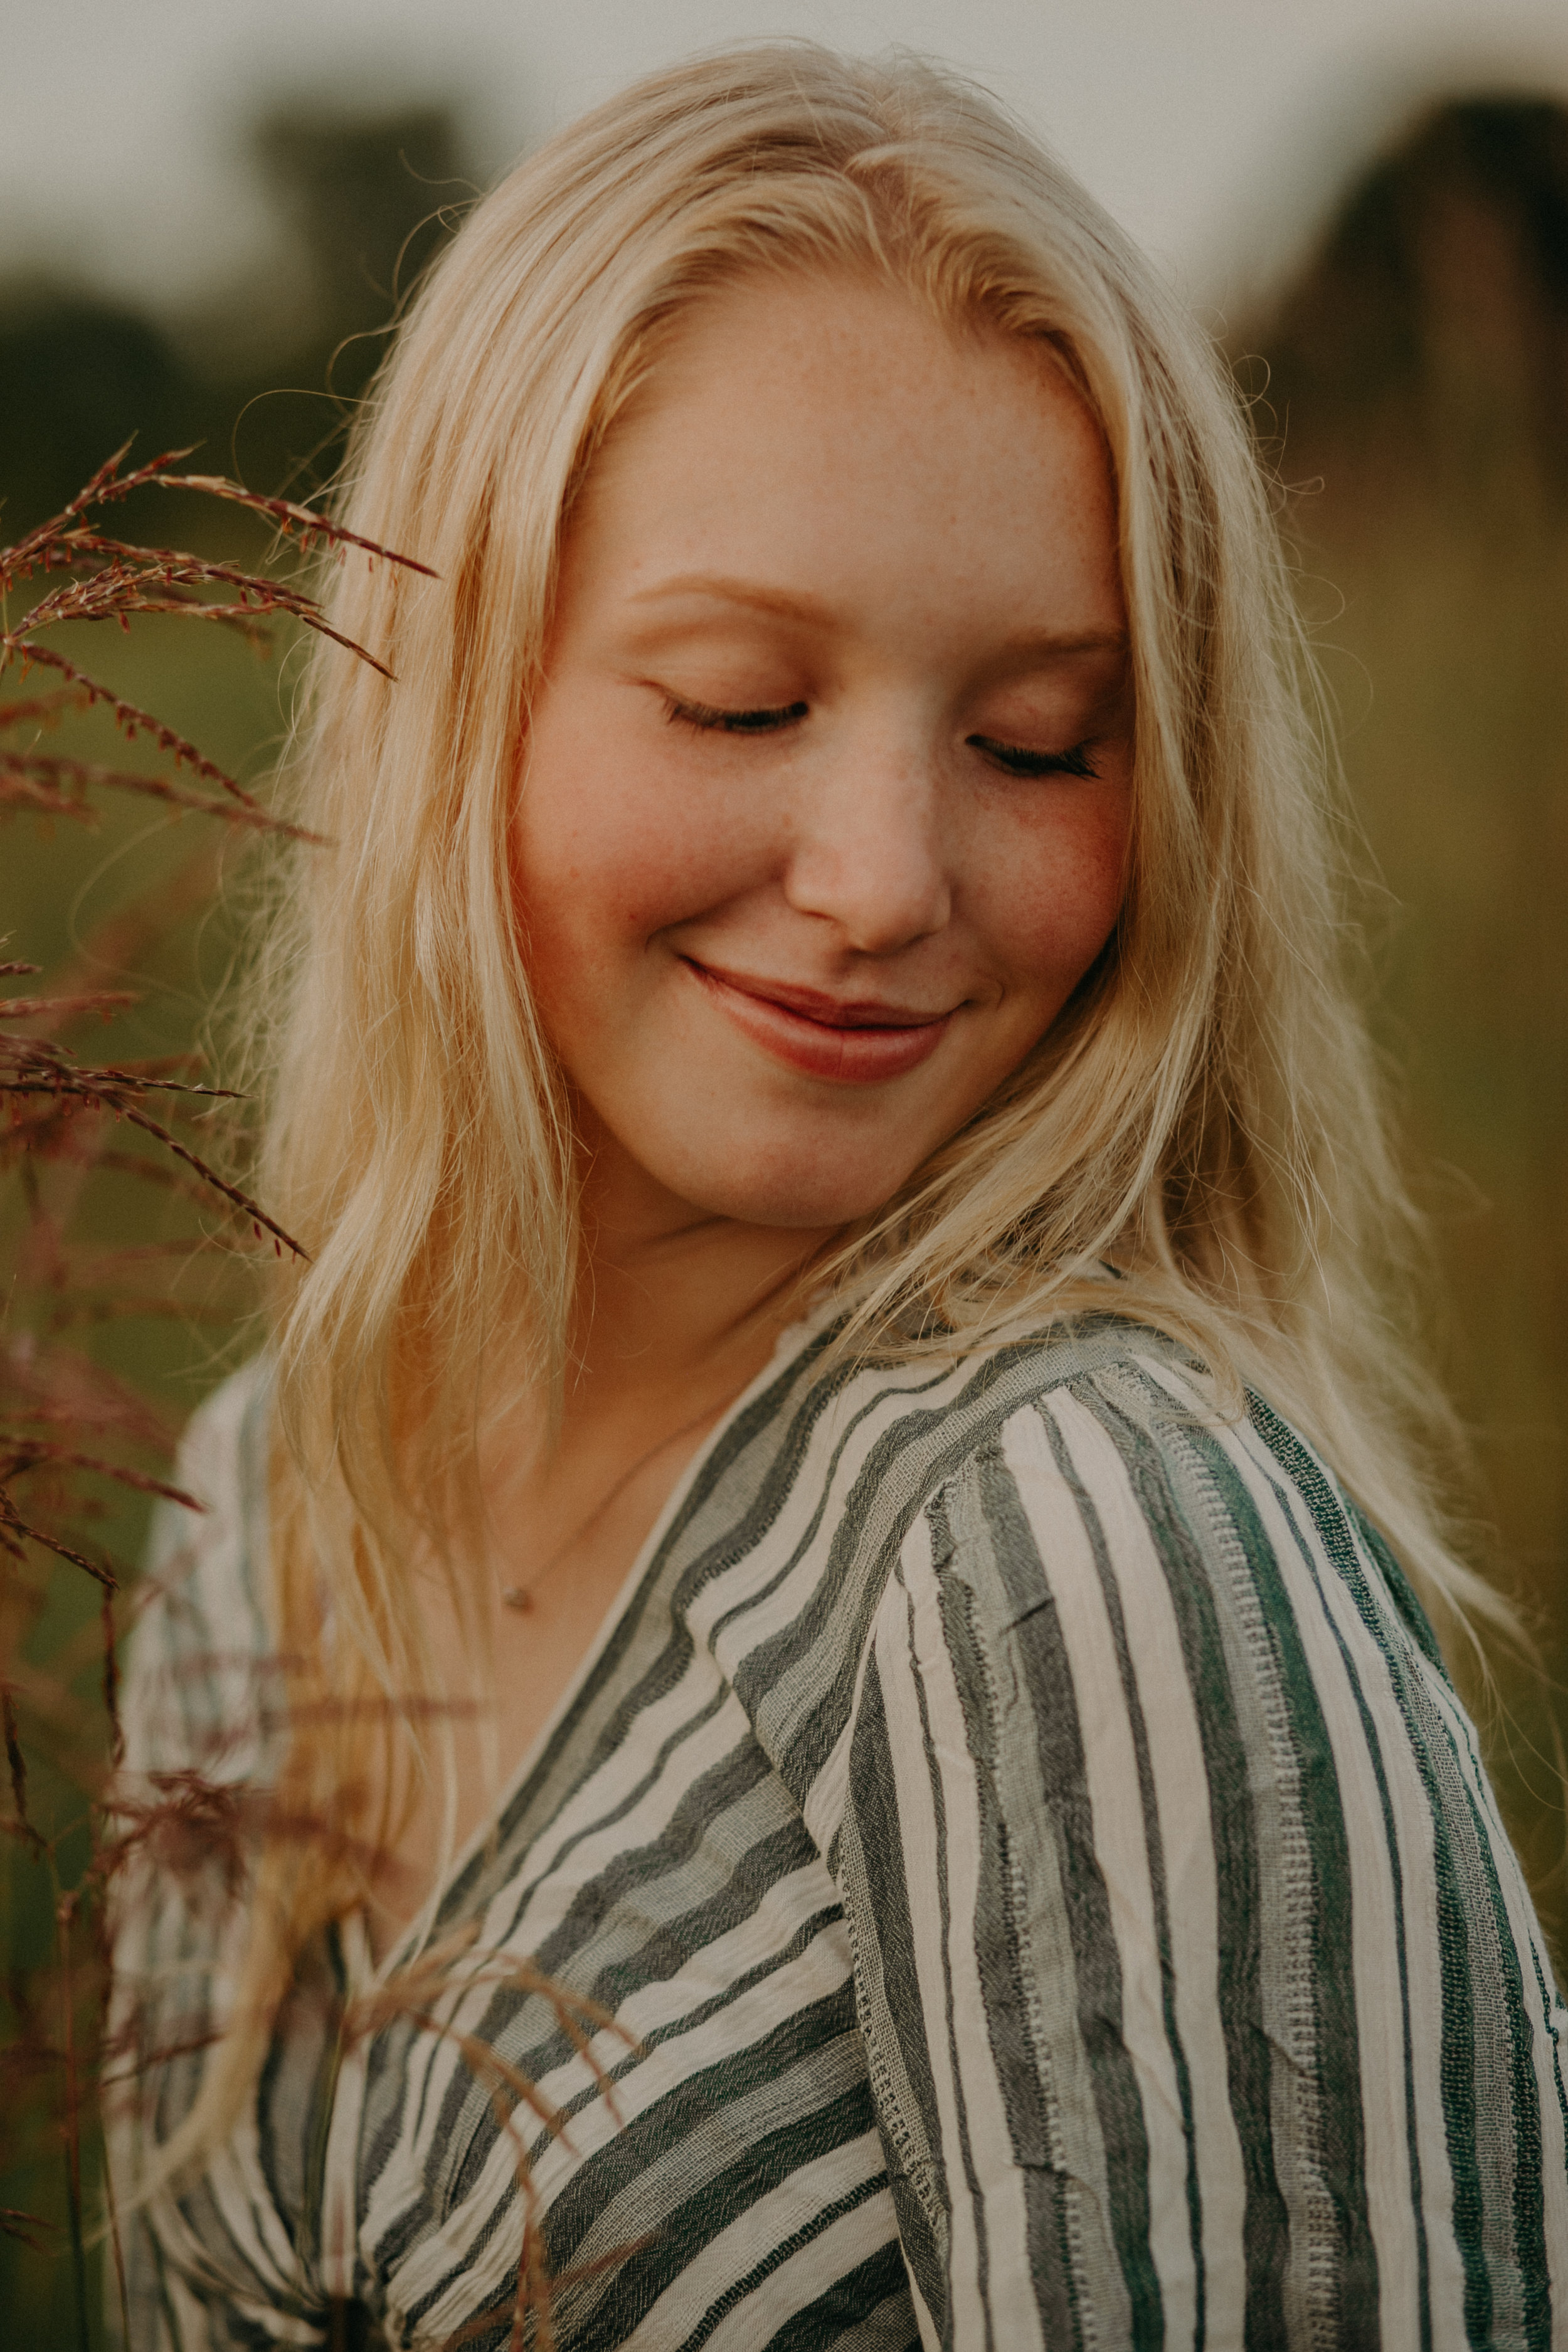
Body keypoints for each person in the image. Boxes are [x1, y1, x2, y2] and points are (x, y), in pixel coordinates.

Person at [108, 42, 1568, 2352]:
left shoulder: (1075, 1549)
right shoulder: (248, 1514)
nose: (886, 881)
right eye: (733, 702)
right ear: (445, 698)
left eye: (1035, 743)